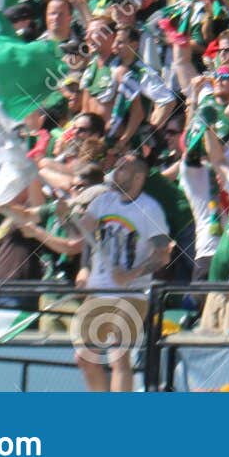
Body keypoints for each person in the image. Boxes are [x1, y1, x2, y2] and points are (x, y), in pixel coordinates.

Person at [68, 152, 172, 392]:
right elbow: (79, 233)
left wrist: (131, 275)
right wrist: (66, 215)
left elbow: (163, 255)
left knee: (118, 356)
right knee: (84, 357)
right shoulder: (103, 202)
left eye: (123, 168)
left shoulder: (149, 209)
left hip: (131, 293)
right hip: (98, 290)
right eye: (116, 166)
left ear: (138, 177)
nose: (116, 172)